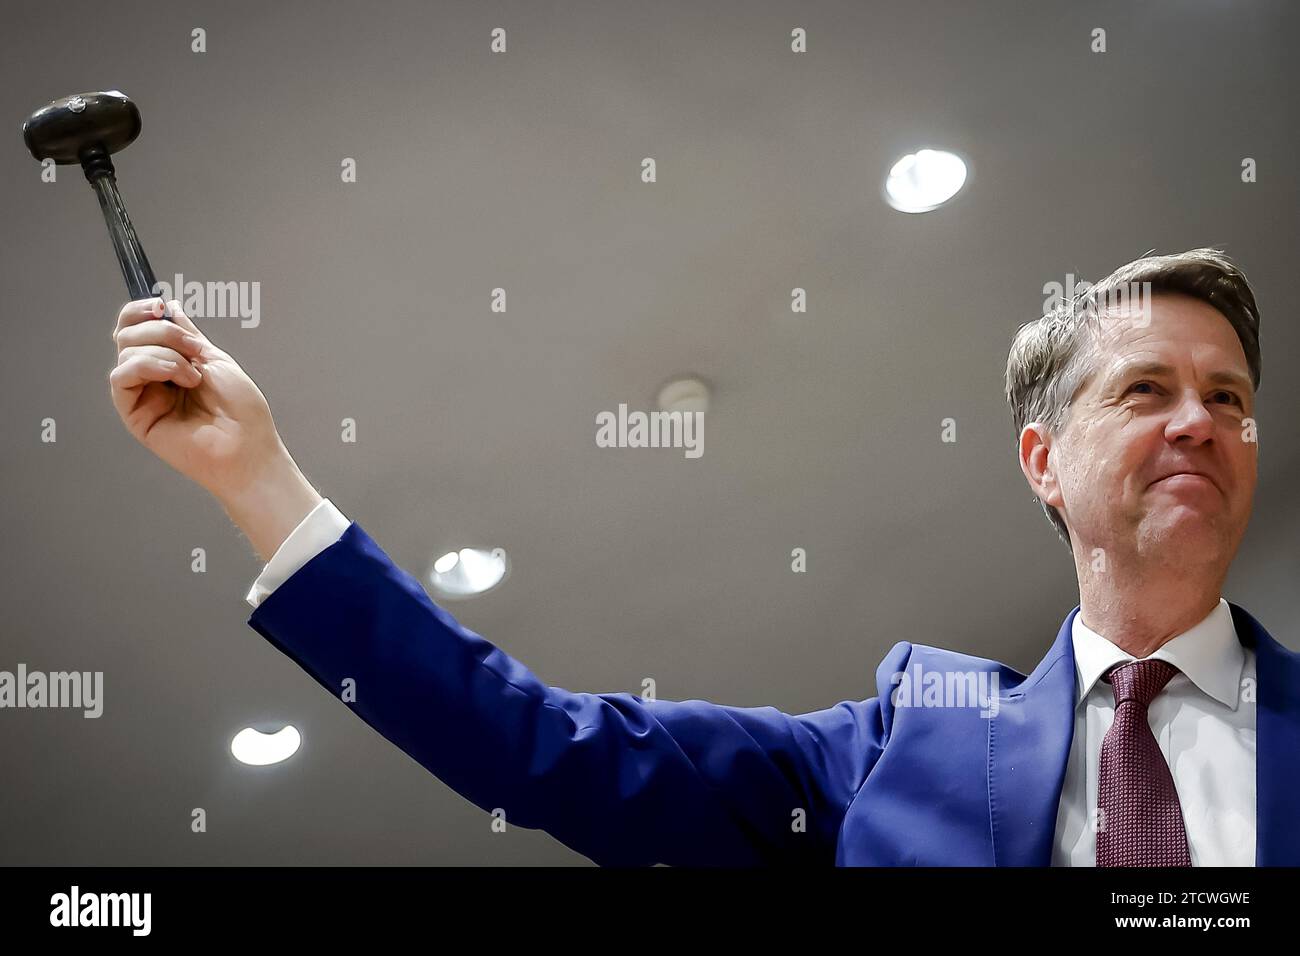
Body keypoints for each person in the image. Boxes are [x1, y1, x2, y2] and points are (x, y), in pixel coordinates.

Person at [107, 248, 1300, 866]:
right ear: (1042, 460)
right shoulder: (909, 736)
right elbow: (544, 747)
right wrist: (259, 480)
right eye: (1145, 388)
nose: (1197, 420)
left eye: (1228, 397)